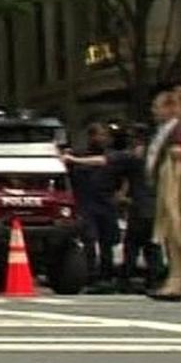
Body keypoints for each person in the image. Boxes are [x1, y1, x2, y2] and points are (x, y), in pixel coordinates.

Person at [66, 122, 124, 293]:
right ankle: (90, 275)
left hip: (106, 203)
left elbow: (123, 177)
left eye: (104, 136)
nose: (102, 139)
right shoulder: (77, 155)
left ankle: (106, 276)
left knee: (107, 242)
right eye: (99, 135)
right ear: (91, 137)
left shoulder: (112, 156)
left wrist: (120, 194)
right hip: (86, 203)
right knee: (89, 240)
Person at [152, 87, 181, 302]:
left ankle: (176, 282)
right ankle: (175, 282)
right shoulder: (175, 128)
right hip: (173, 183)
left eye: (176, 104)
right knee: (176, 237)